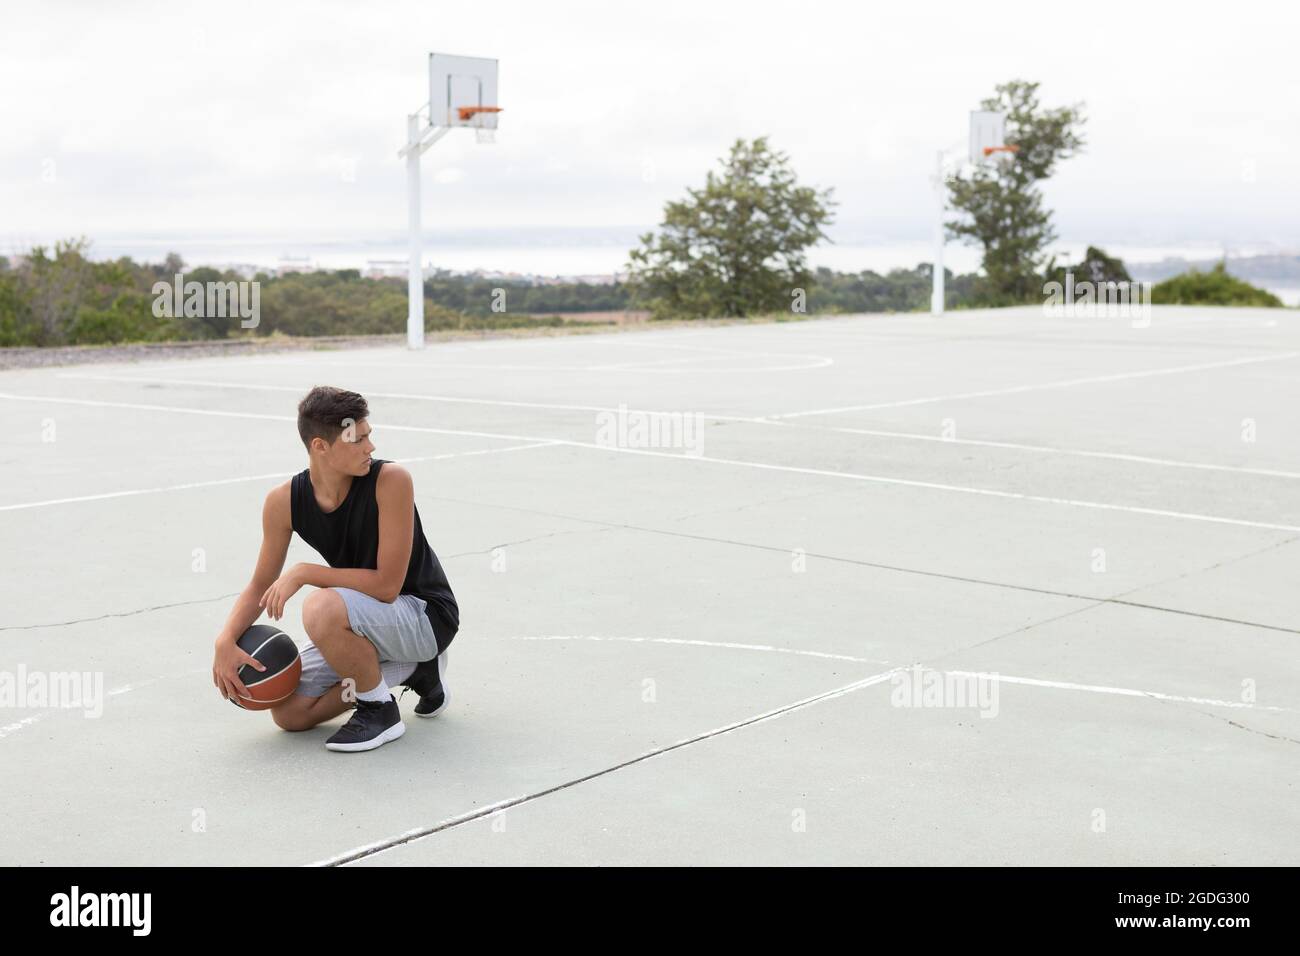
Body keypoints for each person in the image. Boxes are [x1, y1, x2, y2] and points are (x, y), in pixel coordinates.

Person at [211, 386, 459, 752]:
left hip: (425, 617)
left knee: (320, 606)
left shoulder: (391, 481)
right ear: (320, 447)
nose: (370, 447)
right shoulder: (284, 502)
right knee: (290, 714)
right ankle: (416, 670)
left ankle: (379, 709)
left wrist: (305, 572)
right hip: (365, 620)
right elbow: (260, 585)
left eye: (368, 436)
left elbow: (389, 587)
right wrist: (225, 640)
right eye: (357, 440)